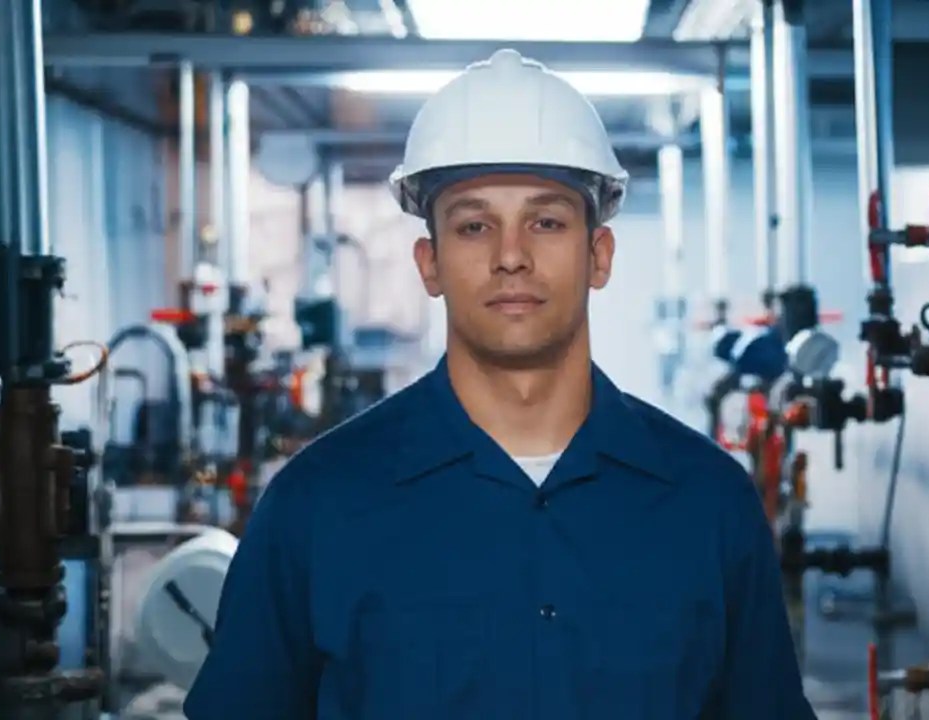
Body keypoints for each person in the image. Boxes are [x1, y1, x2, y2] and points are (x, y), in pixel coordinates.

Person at [183, 48, 815, 719]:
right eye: (474, 225)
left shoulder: (708, 505)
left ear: (597, 255)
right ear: (429, 263)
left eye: (546, 221)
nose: (510, 255)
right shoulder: (315, 508)